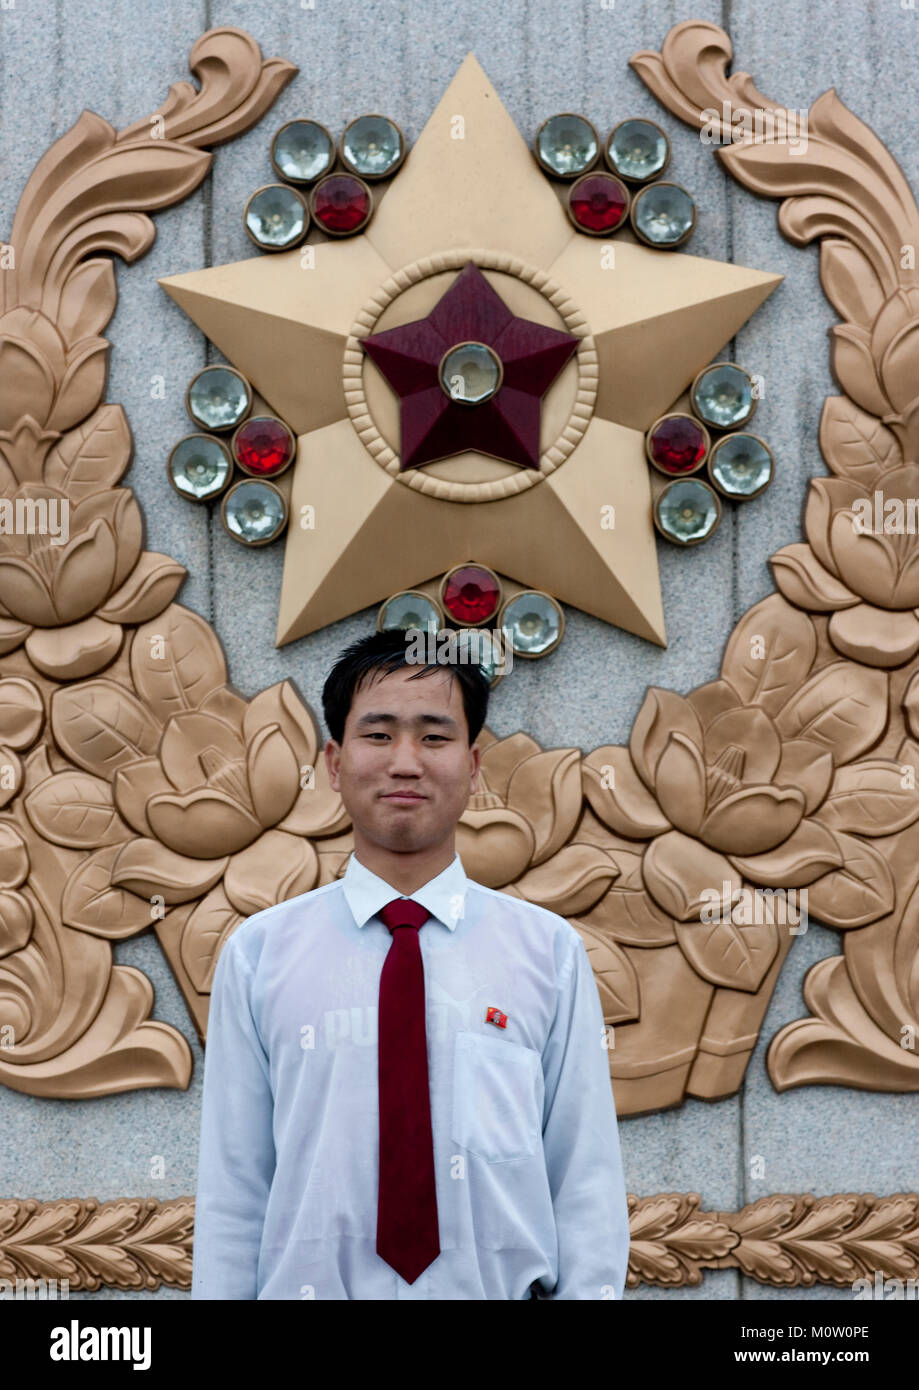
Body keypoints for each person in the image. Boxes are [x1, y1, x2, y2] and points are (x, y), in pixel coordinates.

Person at [191, 628, 631, 1299]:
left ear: (473, 763)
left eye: (433, 736)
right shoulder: (260, 954)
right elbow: (234, 1185)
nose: (405, 762)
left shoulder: (546, 953)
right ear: (334, 764)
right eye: (378, 734)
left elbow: (585, 1181)